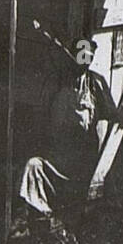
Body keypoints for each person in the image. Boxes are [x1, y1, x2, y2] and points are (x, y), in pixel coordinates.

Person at [18, 38, 116, 221]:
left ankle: (68, 225)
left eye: (87, 59)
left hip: (81, 157)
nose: (82, 64)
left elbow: (114, 116)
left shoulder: (96, 83)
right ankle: (41, 216)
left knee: (75, 200)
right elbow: (41, 113)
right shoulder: (56, 82)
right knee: (32, 166)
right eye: (78, 59)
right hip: (55, 153)